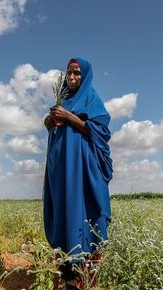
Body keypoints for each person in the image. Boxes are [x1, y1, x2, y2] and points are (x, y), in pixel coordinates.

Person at [43, 57, 113, 289]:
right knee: (64, 212)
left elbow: (101, 132)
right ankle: (67, 275)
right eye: (68, 73)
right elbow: (59, 129)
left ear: (85, 76)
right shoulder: (62, 100)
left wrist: (70, 117)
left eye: (76, 73)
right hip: (61, 172)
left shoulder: (92, 99)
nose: (71, 78)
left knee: (84, 211)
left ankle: (86, 277)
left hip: (82, 170)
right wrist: (50, 121)